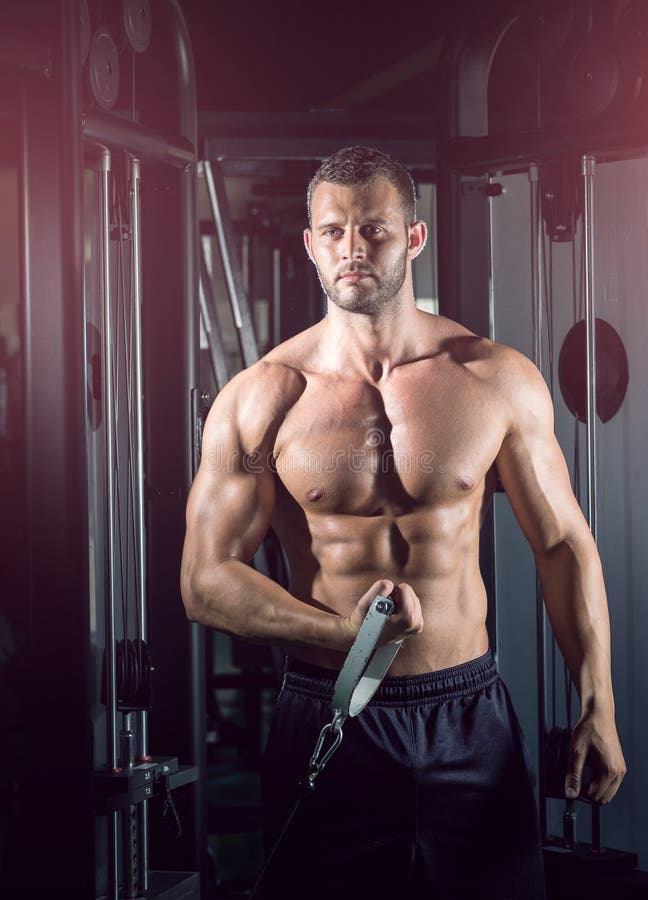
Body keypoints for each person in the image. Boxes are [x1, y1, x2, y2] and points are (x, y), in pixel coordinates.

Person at [181, 146, 625, 899]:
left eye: (374, 231)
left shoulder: (492, 379)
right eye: (333, 232)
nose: (352, 249)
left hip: (467, 718)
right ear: (311, 244)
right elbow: (205, 581)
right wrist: (344, 640)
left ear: (414, 239)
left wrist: (598, 703)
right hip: (328, 713)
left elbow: (561, 544)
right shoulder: (264, 399)